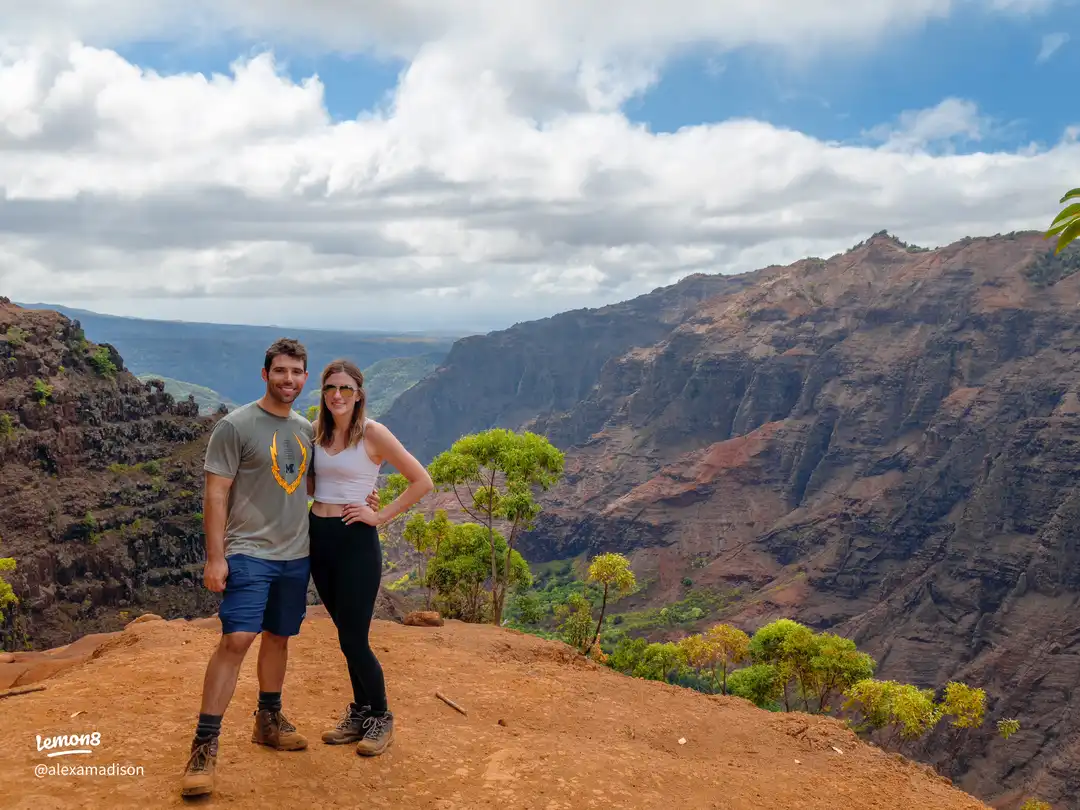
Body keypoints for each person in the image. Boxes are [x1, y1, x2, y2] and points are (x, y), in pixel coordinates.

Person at [180, 338, 318, 798]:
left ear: (304, 376)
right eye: (281, 371)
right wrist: (216, 556)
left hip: (295, 554)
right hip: (248, 551)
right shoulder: (234, 426)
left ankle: (268, 719)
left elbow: (316, 485)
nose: (289, 380)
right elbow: (215, 493)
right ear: (265, 373)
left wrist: (368, 496)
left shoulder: (305, 429)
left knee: (279, 637)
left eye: (297, 372)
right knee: (237, 638)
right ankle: (204, 745)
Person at [308, 358, 433, 757]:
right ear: (323, 393)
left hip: (356, 541)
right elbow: (309, 482)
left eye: (346, 388)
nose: (338, 395)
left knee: (354, 637)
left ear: (359, 392)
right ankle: (361, 712)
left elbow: (422, 480)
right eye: (331, 388)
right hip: (319, 538)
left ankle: (381, 715)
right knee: (346, 635)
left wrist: (378, 515)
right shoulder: (316, 432)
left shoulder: (373, 433)